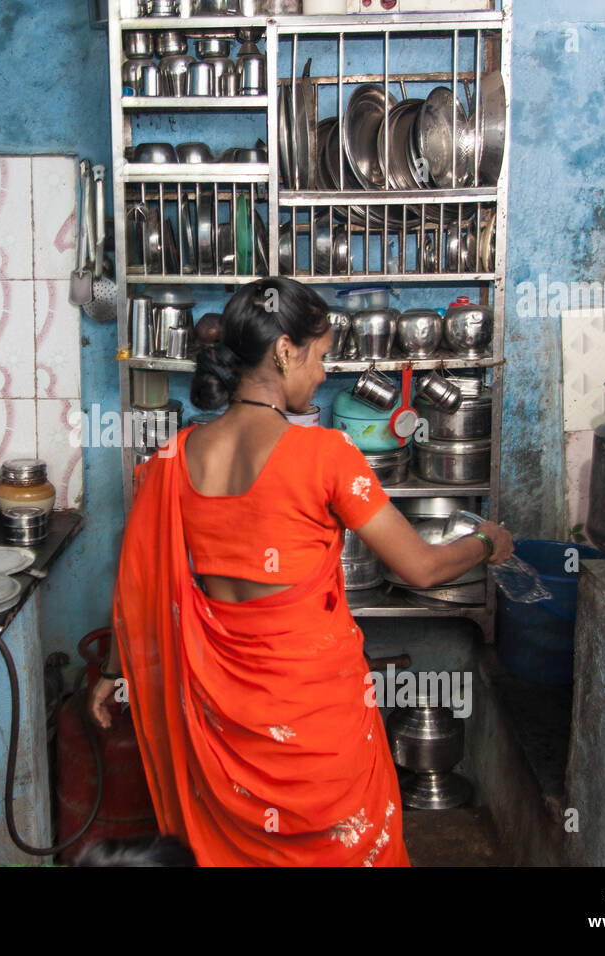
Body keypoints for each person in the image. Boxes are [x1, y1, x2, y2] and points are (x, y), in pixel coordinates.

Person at [89, 277, 514, 867]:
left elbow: (135, 588)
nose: (321, 374)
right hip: (316, 718)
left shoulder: (171, 460)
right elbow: (420, 567)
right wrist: (486, 543)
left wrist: (113, 671)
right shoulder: (326, 455)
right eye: (318, 357)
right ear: (285, 351)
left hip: (224, 722)